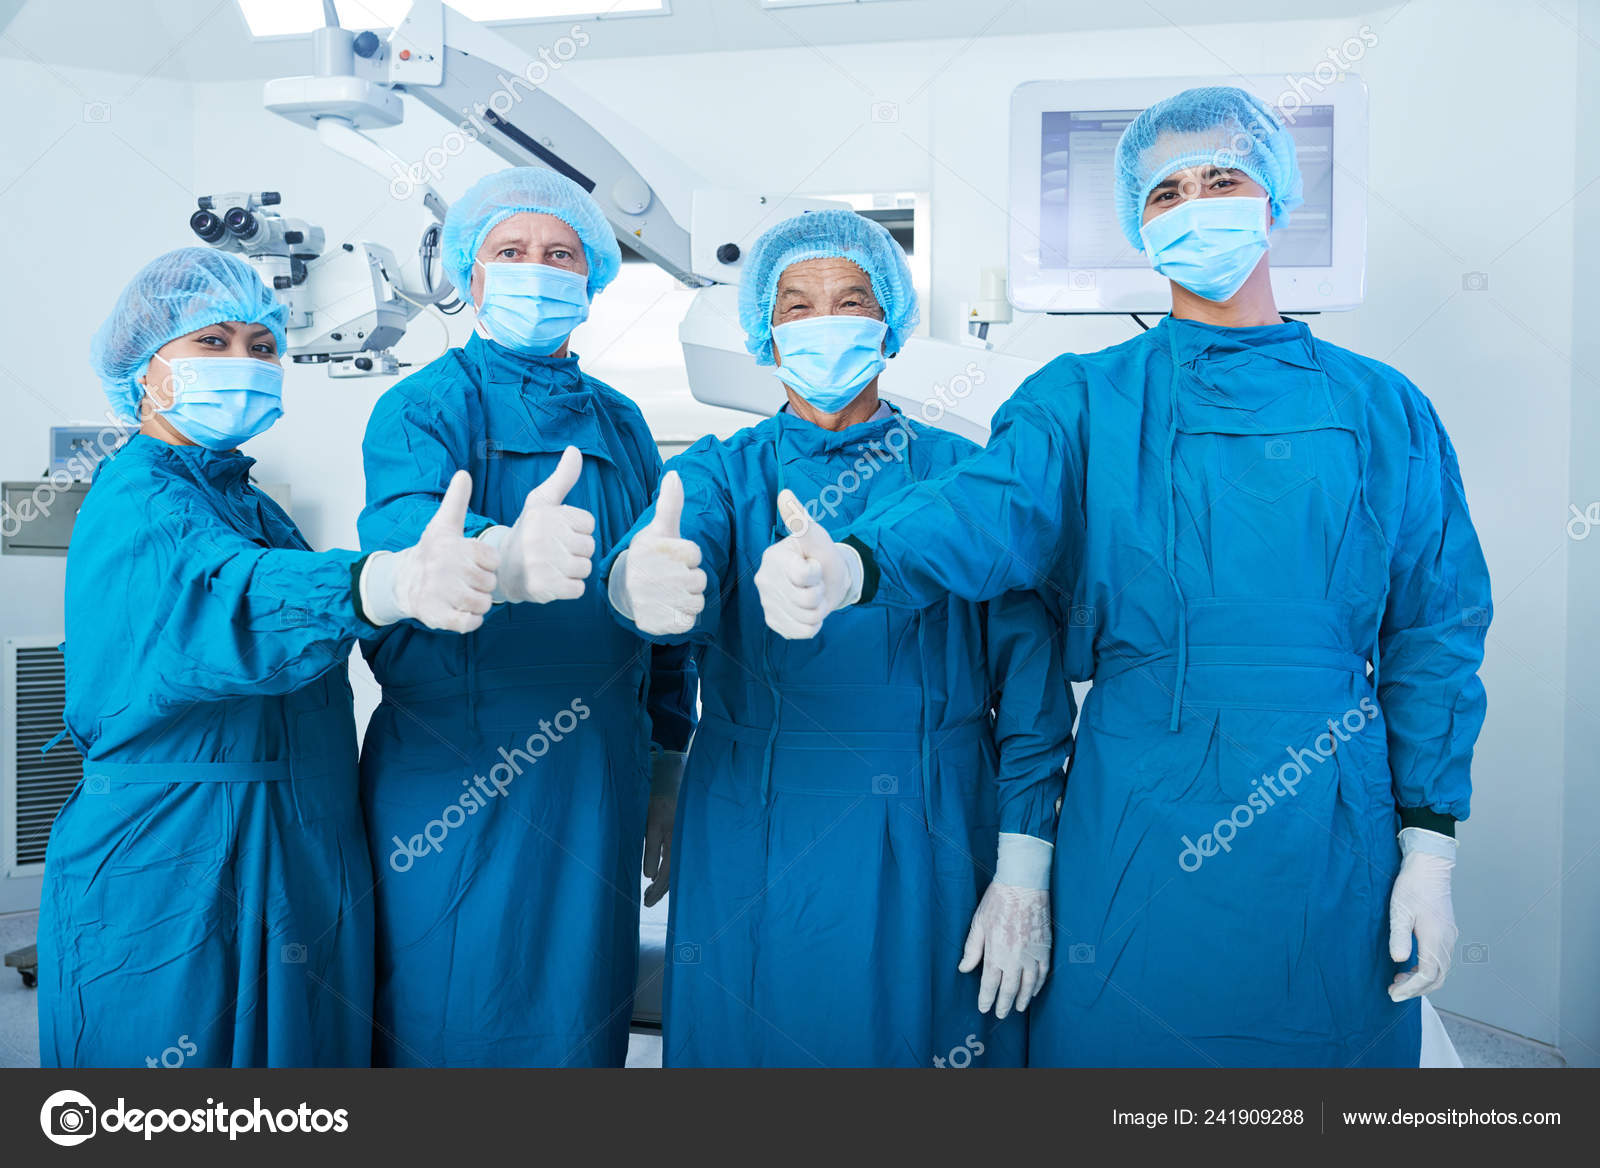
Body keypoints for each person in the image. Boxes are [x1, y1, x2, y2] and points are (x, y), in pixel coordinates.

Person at [752, 88, 1491, 1068]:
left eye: (1221, 179)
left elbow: (1436, 629)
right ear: (1140, 229)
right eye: (1166, 192)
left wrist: (1430, 845)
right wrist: (856, 561)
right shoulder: (1083, 398)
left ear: (1275, 201)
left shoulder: (1384, 408)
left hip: (1328, 807)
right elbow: (985, 507)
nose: (1196, 205)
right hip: (1141, 796)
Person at [600, 209, 1074, 1067]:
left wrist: (1023, 867)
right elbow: (671, 556)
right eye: (798, 306)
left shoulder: (962, 477)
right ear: (765, 335)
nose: (826, 324)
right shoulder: (719, 473)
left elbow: (1032, 692)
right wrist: (637, 580)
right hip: (754, 818)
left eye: (852, 301)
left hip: (933, 822)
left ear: (891, 325)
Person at [38, 248, 496, 1068]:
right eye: (212, 342)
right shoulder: (141, 497)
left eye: (261, 345)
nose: (244, 362)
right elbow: (235, 598)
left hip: (293, 835)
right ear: (144, 370)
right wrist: (383, 580)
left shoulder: (245, 500)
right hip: (177, 853)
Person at [358, 167, 697, 1067]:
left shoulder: (621, 422)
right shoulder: (424, 407)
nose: (536, 270)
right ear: (469, 275)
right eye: (511, 251)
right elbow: (402, 536)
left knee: (577, 1019)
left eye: (560, 255)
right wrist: (498, 556)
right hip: (460, 766)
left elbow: (657, 592)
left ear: (591, 280)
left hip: (599, 771)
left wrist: (669, 757)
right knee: (450, 1010)